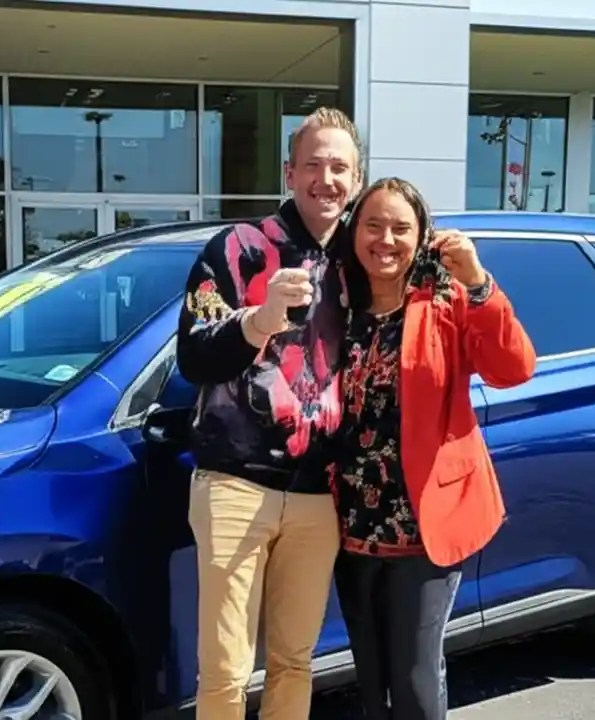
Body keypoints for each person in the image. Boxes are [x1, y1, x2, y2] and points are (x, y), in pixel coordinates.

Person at [175, 107, 361, 719]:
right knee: (226, 671)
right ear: (290, 173)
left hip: (317, 494)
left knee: (294, 661)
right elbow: (195, 358)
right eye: (313, 164)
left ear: (356, 180)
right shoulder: (236, 249)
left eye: (339, 167)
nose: (325, 179)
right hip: (235, 484)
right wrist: (259, 320)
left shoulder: (360, 262)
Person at [327, 177, 536, 720]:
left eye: (401, 227)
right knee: (369, 680)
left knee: (415, 676)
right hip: (351, 525)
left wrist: (478, 281)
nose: (386, 239)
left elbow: (513, 368)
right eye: (373, 225)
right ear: (354, 233)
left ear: (421, 236)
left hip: (421, 524)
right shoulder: (339, 307)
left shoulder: (444, 300)